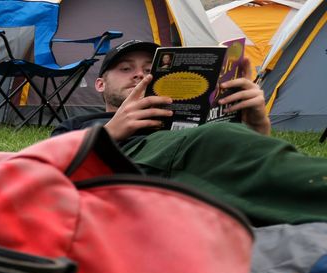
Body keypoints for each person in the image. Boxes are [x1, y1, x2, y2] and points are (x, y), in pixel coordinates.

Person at [52, 40, 325, 226]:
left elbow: (252, 160)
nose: (139, 75)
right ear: (100, 84)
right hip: (144, 161)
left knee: (242, 153)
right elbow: (50, 176)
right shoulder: (81, 125)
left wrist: (257, 128)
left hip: (202, 162)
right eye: (126, 69)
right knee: (219, 140)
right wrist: (109, 133)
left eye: (150, 70)